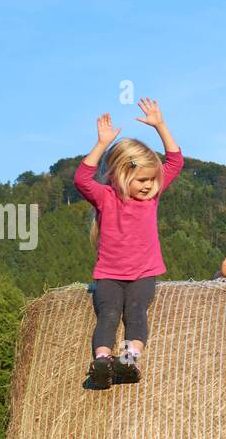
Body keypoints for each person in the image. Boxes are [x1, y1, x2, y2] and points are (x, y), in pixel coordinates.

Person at [73, 98, 183, 389]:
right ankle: (102, 360)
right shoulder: (106, 197)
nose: (148, 185)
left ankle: (129, 358)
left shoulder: (153, 197)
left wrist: (160, 125)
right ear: (122, 176)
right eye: (141, 180)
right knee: (107, 315)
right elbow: (82, 179)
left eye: (151, 179)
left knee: (136, 313)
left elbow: (175, 161)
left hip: (143, 274)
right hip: (109, 275)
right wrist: (102, 144)